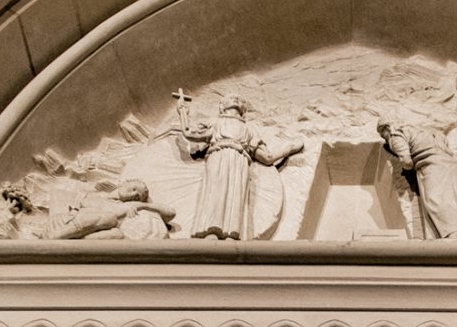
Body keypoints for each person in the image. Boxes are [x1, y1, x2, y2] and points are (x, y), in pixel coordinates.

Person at [182, 98, 301, 239]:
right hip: (217, 156)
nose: (234, 100)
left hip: (240, 161)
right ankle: (211, 231)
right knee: (215, 190)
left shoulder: (249, 129)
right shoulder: (215, 123)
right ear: (222, 107)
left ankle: (233, 234)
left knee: (236, 193)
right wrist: (183, 112)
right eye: (231, 99)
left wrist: (289, 148)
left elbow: (267, 158)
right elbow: (189, 133)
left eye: (237, 100)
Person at [378, 119, 457, 239]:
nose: (385, 138)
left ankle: (454, 233)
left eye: (383, 134)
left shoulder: (396, 135)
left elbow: (406, 161)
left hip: (434, 168)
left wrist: (407, 172)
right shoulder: (429, 131)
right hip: (453, 167)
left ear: (388, 128)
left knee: (435, 200)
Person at [50, 180, 177, 240]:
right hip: (62, 226)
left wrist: (144, 205)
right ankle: (56, 238)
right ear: (124, 183)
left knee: (116, 234)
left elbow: (170, 213)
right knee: (109, 218)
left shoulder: (131, 205)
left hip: (84, 238)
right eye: (134, 188)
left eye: (138, 196)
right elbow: (64, 207)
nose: (133, 194)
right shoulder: (91, 197)